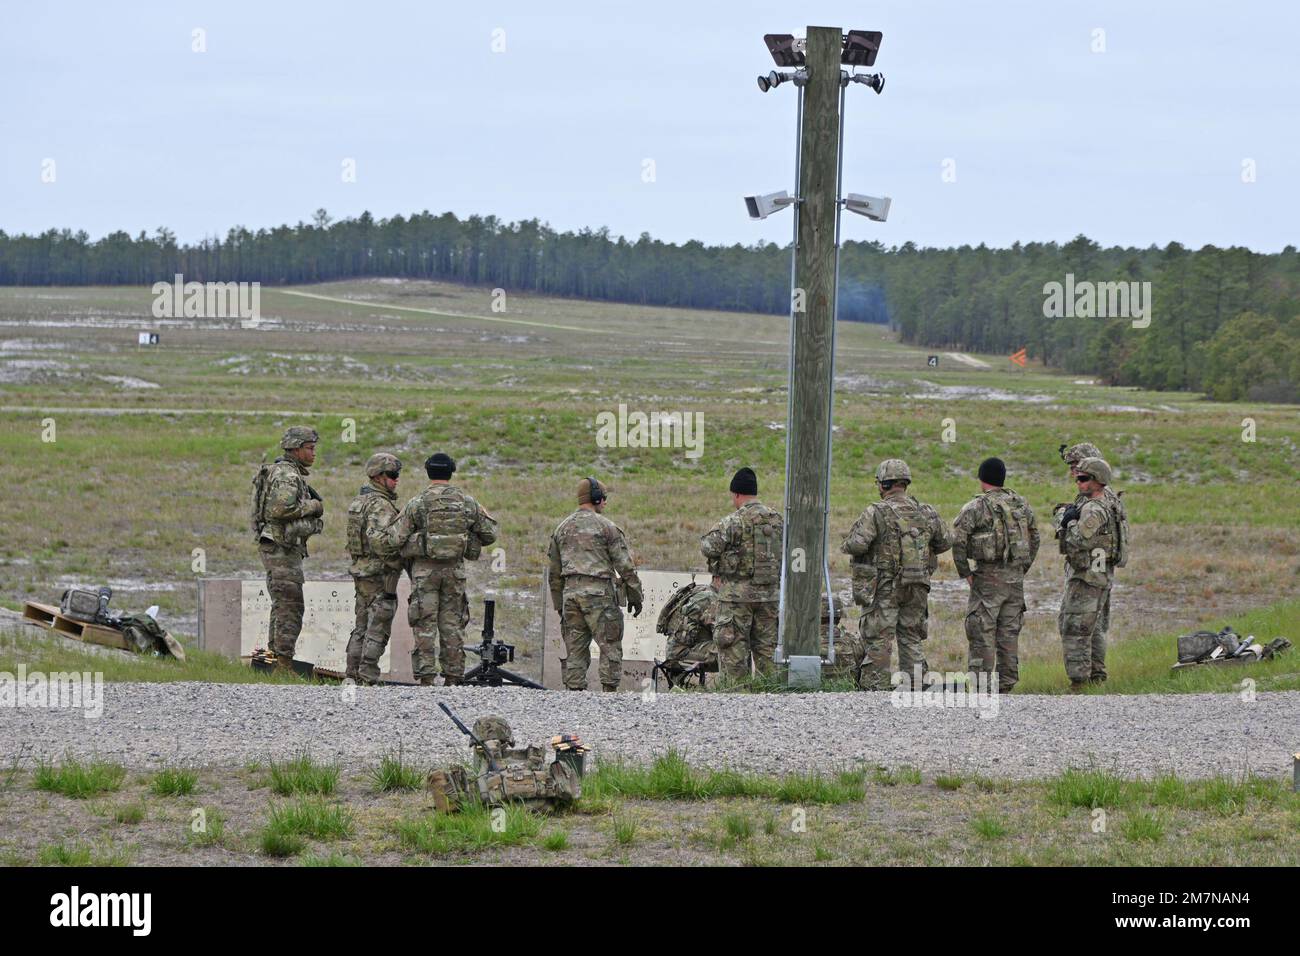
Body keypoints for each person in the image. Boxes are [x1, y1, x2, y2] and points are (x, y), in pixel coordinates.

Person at [374, 453, 497, 685]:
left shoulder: (418, 502)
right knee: (453, 625)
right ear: (451, 471)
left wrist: (419, 541)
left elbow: (395, 538)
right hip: (454, 573)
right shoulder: (467, 502)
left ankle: (426, 679)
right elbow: (490, 534)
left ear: (428, 472)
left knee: (424, 624)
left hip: (424, 573)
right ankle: (453, 677)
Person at [841, 459, 951, 691]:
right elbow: (945, 541)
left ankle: (876, 690)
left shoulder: (876, 511)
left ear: (882, 484)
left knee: (879, 638)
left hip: (885, 586)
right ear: (905, 483)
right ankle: (917, 686)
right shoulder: (926, 512)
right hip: (918, 585)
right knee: (911, 636)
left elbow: (856, 545)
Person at [950, 457, 1039, 693]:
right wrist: (1021, 568)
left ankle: (981, 686)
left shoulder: (975, 507)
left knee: (982, 631)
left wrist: (965, 573)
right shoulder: (1021, 505)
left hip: (987, 579)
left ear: (982, 479)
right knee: (1009, 634)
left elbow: (957, 542)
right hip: (1014, 580)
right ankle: (1007, 686)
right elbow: (1035, 538)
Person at [547, 477, 643, 692]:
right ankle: (609, 697)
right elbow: (626, 567)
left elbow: (554, 573)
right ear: (597, 499)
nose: (606, 503)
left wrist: (559, 604)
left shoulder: (561, 529)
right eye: (604, 499)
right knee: (610, 648)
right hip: (600, 596)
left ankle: (574, 696)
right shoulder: (607, 527)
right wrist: (636, 596)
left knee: (575, 651)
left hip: (571, 596)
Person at [699, 468, 783, 681]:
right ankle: (770, 696)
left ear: (736, 494)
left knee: (734, 654)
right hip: (770, 598)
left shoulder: (733, 521)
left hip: (736, 599)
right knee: (768, 654)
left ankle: (736, 701)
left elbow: (708, 547)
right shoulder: (777, 521)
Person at [251, 425, 323, 671]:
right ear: (296, 448)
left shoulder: (286, 472)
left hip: (281, 548)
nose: (314, 454)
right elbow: (279, 510)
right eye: (310, 448)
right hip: (281, 548)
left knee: (283, 604)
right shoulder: (287, 475)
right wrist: (312, 507)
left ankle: (273, 661)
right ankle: (282, 664)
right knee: (291, 606)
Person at [1057, 457, 1126, 691]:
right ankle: (1096, 677)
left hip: (1087, 577)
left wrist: (1066, 521)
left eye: (1084, 478)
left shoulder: (1094, 509)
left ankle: (1079, 682)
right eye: (1077, 477)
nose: (1078, 482)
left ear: (1097, 481)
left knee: (1075, 627)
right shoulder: (1110, 502)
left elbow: (1078, 539)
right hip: (1100, 575)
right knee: (1094, 628)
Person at [345, 452, 403, 684]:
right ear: (379, 477)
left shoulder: (359, 501)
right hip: (379, 574)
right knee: (377, 627)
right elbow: (380, 541)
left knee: (360, 626)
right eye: (392, 475)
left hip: (362, 571)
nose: (396, 479)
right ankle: (367, 675)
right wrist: (397, 561)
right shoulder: (380, 505)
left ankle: (352, 674)